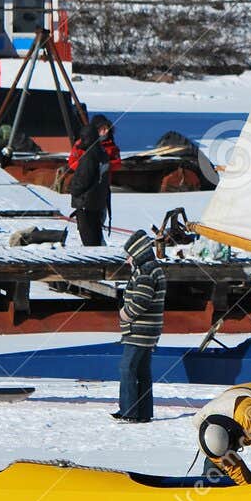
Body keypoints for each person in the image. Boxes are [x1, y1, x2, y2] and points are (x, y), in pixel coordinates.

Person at [113, 229, 165, 422]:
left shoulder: (145, 271)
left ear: (138, 253)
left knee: (127, 368)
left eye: (129, 255)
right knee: (142, 371)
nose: (128, 260)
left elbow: (141, 301)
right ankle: (143, 412)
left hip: (140, 330)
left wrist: (125, 313)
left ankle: (129, 411)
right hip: (150, 330)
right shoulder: (153, 268)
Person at [68, 116, 119, 246]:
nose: (105, 132)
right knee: (92, 225)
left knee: (94, 224)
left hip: (95, 192)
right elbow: (73, 163)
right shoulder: (83, 147)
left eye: (107, 129)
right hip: (94, 189)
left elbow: (117, 163)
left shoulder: (109, 147)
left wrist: (100, 167)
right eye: (102, 129)